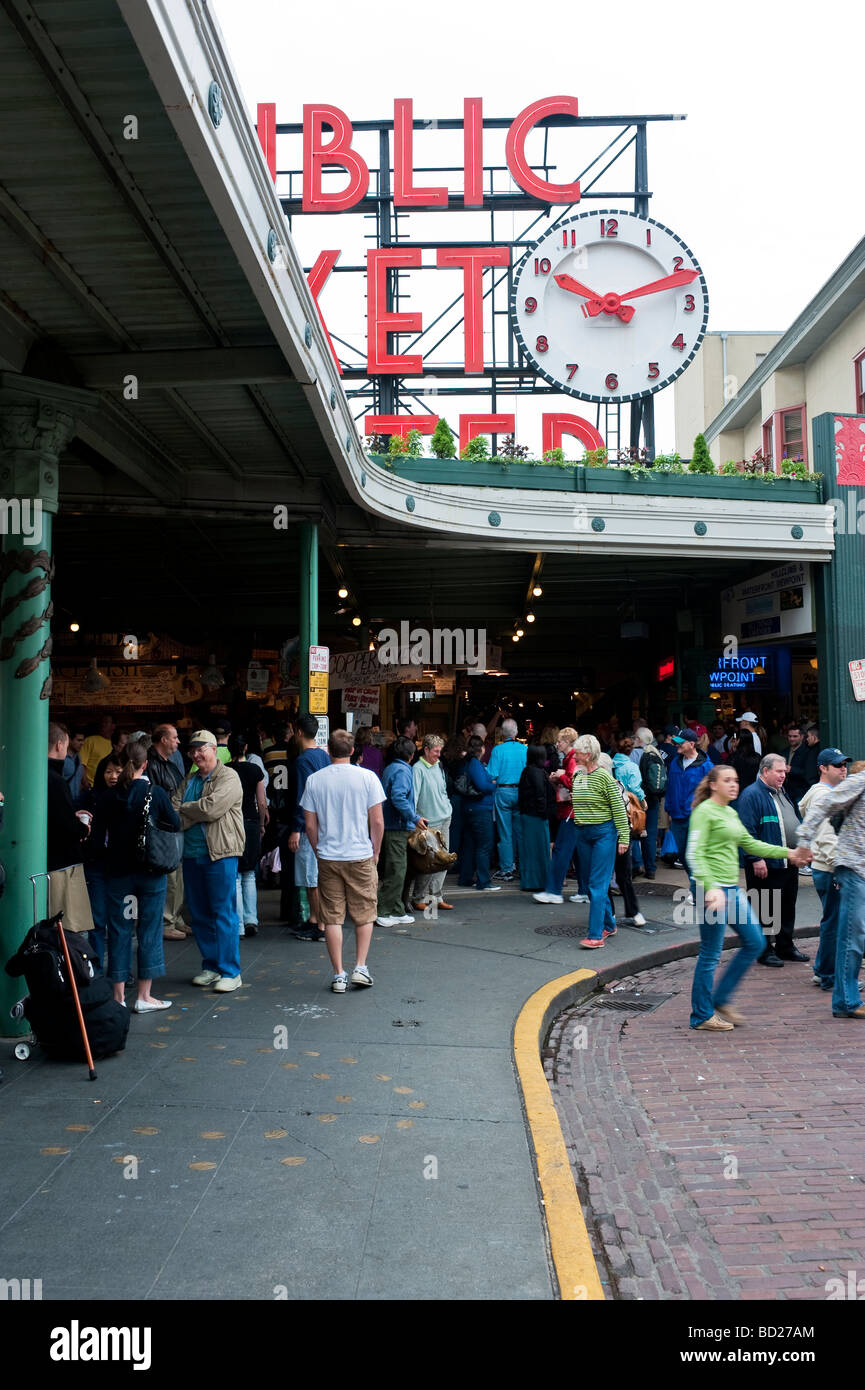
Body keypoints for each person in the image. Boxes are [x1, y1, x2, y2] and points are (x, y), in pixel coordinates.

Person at [687, 764, 811, 1031]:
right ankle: (701, 1016)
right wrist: (710, 888)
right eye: (727, 780)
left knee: (755, 942)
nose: (734, 784)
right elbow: (693, 854)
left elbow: (751, 844)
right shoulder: (704, 812)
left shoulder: (730, 813)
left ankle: (720, 999)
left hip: (730, 889)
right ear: (713, 785)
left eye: (736, 780)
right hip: (711, 890)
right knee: (710, 953)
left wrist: (788, 853)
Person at [301, 728, 386, 993]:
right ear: (352, 751)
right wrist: (376, 850)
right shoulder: (368, 778)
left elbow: (310, 825)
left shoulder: (315, 780)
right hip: (360, 853)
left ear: (329, 751)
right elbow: (377, 821)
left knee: (333, 917)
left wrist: (318, 849)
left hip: (328, 856)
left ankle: (339, 974)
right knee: (364, 913)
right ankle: (361, 966)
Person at [102, 739, 180, 1012]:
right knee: (149, 930)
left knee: (120, 932)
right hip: (150, 874)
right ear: (145, 764)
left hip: (118, 876)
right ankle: (144, 997)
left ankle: (118, 997)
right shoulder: (154, 793)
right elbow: (176, 822)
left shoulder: (110, 795)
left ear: (122, 764)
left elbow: (100, 834)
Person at [172, 730, 245, 992]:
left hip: (220, 853)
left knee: (223, 912)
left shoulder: (229, 777)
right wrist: (196, 809)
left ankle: (230, 971)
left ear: (215, 749)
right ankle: (211, 966)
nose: (195, 754)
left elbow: (212, 809)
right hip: (191, 855)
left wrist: (188, 808)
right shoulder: (189, 778)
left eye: (201, 748)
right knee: (200, 914)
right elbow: (173, 814)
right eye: (192, 750)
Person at [797, 763, 865, 1018]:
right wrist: (804, 841)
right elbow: (825, 805)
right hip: (854, 867)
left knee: (857, 935)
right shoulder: (861, 781)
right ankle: (846, 1001)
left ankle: (845, 1000)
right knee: (852, 936)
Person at [736, 753, 809, 967]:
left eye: (784, 771)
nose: (783, 775)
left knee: (787, 906)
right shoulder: (752, 795)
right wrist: (755, 858)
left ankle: (785, 946)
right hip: (766, 864)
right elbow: (746, 830)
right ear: (765, 771)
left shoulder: (783, 792)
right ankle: (764, 950)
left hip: (788, 861)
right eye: (778, 771)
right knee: (765, 907)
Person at [798, 748, 851, 993]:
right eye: (837, 765)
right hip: (830, 868)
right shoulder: (822, 796)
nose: (843, 768)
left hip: (826, 867)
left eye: (844, 764)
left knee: (833, 921)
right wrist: (838, 869)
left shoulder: (825, 793)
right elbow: (827, 837)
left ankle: (824, 971)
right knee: (835, 923)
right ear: (823, 768)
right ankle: (828, 974)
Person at [571, 735, 630, 948]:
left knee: (597, 884)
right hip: (583, 834)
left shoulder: (604, 777)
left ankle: (596, 935)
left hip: (604, 834)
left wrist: (623, 838)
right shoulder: (578, 775)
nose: (574, 755)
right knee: (589, 884)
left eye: (577, 752)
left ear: (587, 755)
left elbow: (619, 810)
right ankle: (610, 924)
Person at [286, 714, 330, 941]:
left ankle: (320, 925)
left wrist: (296, 827)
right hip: (323, 823)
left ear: (299, 732)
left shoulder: (303, 760)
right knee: (313, 876)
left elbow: (304, 796)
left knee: (311, 879)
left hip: (308, 826)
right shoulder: (324, 756)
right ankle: (314, 919)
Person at [376, 736, 425, 927]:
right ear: (411, 755)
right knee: (396, 870)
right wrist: (414, 817)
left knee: (398, 869)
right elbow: (398, 797)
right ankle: (384, 910)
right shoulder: (403, 770)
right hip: (396, 827)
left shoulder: (391, 768)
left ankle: (396, 909)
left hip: (391, 825)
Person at [82, 751, 124, 970]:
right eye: (108, 771)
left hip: (120, 867)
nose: (113, 776)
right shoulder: (90, 797)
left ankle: (119, 971)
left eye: (118, 771)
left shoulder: (129, 796)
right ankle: (96, 971)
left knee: (119, 923)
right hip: (96, 864)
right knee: (97, 921)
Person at [147, 724, 189, 941]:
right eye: (174, 737)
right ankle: (167, 921)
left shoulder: (167, 763)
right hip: (163, 828)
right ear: (163, 739)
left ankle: (175, 916)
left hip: (173, 825)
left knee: (178, 875)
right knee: (171, 875)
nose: (178, 742)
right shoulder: (153, 764)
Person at [533, 728, 584, 905]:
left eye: (560, 741)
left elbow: (574, 782)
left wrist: (561, 777)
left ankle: (554, 891)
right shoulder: (571, 759)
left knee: (561, 850)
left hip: (569, 811)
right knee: (578, 853)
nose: (557, 744)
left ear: (568, 742)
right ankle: (584, 891)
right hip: (574, 811)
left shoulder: (571, 760)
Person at [228, 732, 267, 938]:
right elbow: (261, 802)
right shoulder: (255, 770)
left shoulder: (225, 771)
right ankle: (252, 919)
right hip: (251, 822)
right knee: (249, 873)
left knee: (234, 874)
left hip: (231, 824)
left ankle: (239, 924)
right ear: (245, 749)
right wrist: (261, 823)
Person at [410, 734, 454, 912]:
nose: (438, 754)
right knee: (427, 863)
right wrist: (415, 819)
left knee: (443, 860)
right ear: (426, 750)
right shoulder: (418, 769)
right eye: (436, 751)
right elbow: (414, 796)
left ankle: (436, 896)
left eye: (440, 751)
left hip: (444, 817)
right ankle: (419, 897)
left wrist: (448, 806)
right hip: (428, 822)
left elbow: (443, 790)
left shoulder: (438, 766)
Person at [664, 729, 709, 894]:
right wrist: (669, 809)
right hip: (676, 817)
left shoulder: (706, 766)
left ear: (691, 744)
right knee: (683, 856)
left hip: (696, 817)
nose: (677, 745)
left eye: (681, 742)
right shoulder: (675, 762)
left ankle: (697, 888)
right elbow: (670, 787)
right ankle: (697, 886)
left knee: (694, 855)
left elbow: (710, 794)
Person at [606, 751, 647, 927]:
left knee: (607, 878)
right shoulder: (617, 785)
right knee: (623, 877)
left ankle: (612, 913)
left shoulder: (614, 786)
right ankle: (631, 912)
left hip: (612, 836)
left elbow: (623, 816)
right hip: (619, 836)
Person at [456, 734, 500, 893]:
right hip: (480, 808)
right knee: (484, 845)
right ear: (481, 748)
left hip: (468, 808)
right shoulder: (475, 763)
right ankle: (484, 881)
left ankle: (465, 877)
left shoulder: (467, 762)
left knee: (469, 844)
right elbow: (482, 785)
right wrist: (493, 785)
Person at [487, 718, 527, 882]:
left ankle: (507, 869)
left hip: (503, 791)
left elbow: (491, 774)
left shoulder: (497, 750)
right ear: (516, 733)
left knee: (505, 832)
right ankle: (520, 866)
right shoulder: (525, 749)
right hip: (521, 792)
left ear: (502, 733)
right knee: (519, 832)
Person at [518, 746, 555, 892]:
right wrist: (543, 812)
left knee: (530, 850)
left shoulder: (528, 770)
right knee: (539, 850)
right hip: (536, 817)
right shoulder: (537, 772)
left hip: (529, 815)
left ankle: (531, 881)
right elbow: (540, 794)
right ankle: (539, 881)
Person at [635, 728, 666, 879]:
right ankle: (651, 869)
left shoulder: (638, 754)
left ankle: (636, 865)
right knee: (651, 834)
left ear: (639, 740)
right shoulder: (656, 753)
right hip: (654, 799)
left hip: (641, 799)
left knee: (636, 831)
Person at [81, 715, 115, 788]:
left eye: (106, 722)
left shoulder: (115, 743)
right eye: (102, 722)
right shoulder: (90, 741)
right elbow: (82, 764)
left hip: (110, 787)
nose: (103, 724)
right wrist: (86, 783)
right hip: (92, 786)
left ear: (113, 726)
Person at [728, 728, 760, 797]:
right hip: (753, 792)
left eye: (735, 739)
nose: (733, 741)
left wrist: (733, 752)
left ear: (739, 740)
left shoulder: (734, 757)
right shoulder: (758, 756)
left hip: (738, 793)